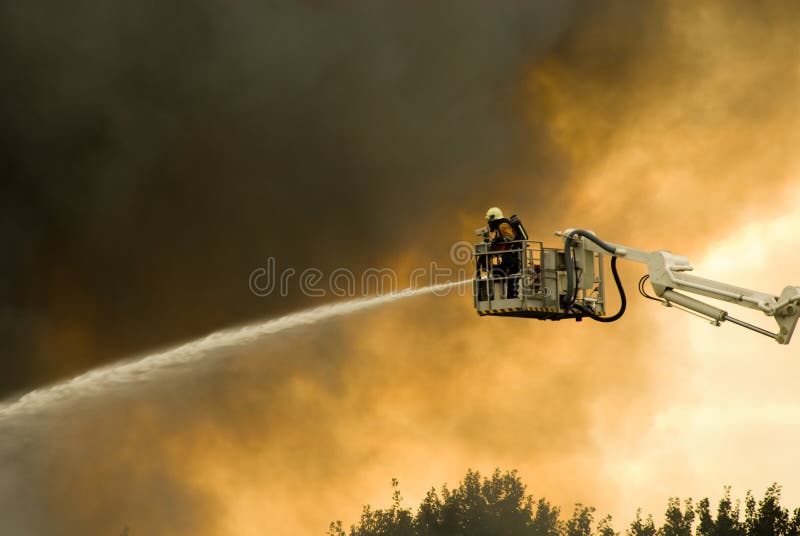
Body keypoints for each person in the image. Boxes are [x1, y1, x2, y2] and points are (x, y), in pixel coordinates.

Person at [484, 207, 526, 298]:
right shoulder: (500, 227)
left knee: (501, 273)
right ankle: (509, 295)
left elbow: (509, 238)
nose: (489, 223)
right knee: (500, 273)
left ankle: (509, 296)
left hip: (511, 258)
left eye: (489, 221)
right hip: (511, 257)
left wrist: (499, 242)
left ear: (493, 219)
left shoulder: (502, 225)